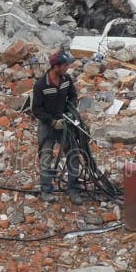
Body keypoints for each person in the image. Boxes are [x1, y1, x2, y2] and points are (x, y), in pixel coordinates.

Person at [32, 50, 83, 205]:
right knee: (46, 157)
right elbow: (36, 109)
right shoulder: (41, 85)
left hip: (65, 123)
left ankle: (73, 188)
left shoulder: (66, 80)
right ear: (56, 66)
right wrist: (52, 122)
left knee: (73, 154)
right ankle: (46, 190)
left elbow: (73, 96)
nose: (68, 67)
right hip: (48, 126)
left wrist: (71, 111)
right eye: (65, 65)